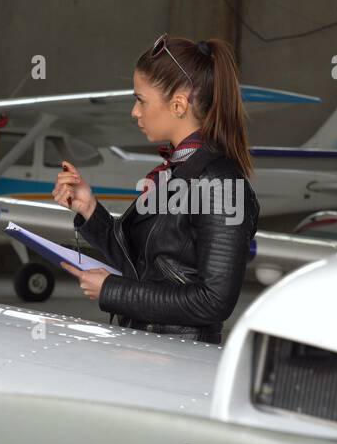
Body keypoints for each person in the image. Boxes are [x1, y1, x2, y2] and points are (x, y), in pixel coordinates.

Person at [54, 34, 259, 344]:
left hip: (180, 363)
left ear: (178, 105)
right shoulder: (177, 172)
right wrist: (89, 209)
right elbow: (139, 264)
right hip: (148, 350)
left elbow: (214, 301)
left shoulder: (221, 185)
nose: (134, 112)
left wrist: (112, 290)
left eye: (141, 100)